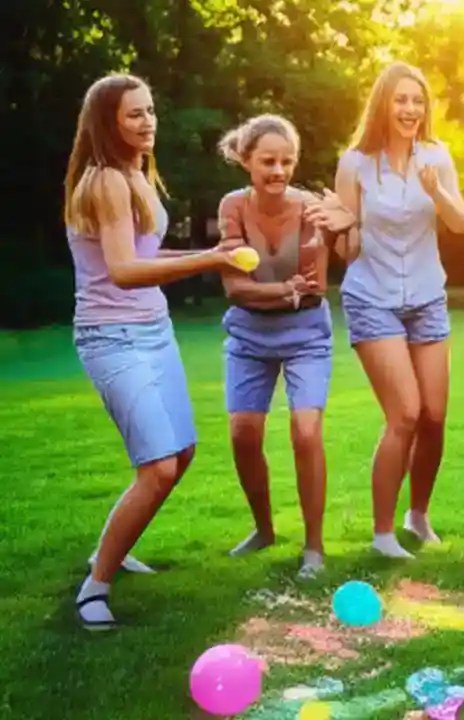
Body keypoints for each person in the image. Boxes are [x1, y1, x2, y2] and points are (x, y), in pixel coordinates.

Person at [66, 75, 239, 629]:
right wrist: (211, 261)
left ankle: (109, 552)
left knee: (180, 456)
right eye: (134, 115)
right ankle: (95, 588)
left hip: (153, 330)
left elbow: (145, 250)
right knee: (159, 467)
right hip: (111, 335)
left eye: (151, 110)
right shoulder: (104, 182)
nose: (148, 122)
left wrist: (212, 251)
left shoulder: (135, 173)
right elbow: (123, 271)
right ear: (107, 123)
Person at [320, 61, 464, 559]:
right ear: (383, 104)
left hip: (427, 296)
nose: (410, 109)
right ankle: (383, 534)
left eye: (418, 100)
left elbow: (461, 223)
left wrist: (437, 190)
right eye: (401, 99)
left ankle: (418, 515)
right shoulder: (355, 163)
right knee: (404, 413)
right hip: (373, 298)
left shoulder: (437, 156)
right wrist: (343, 225)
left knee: (435, 416)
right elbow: (349, 251)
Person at [216, 115, 332, 579]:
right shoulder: (232, 206)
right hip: (248, 335)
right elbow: (234, 289)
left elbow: (316, 287)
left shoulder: (310, 208)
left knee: (306, 433)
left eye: (287, 161)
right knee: (244, 435)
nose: (279, 171)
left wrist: (281, 290)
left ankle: (314, 548)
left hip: (306, 333)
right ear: (246, 161)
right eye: (268, 161)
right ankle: (264, 530)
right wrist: (285, 289)